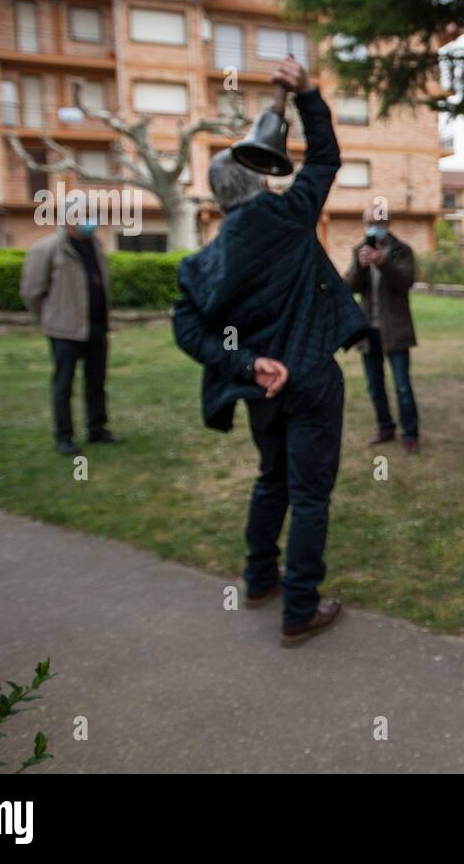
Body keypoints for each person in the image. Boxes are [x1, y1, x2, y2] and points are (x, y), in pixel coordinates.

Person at [173, 55, 368, 647]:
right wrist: (308, 95)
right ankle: (300, 610)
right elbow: (327, 159)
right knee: (309, 494)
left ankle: (260, 579)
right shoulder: (288, 215)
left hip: (262, 386)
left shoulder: (205, 261)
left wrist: (244, 363)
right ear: (260, 178)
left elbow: (189, 330)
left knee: (271, 481)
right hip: (310, 378)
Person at [20, 205, 121, 455]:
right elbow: (31, 291)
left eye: (91, 214)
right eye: (83, 215)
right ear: (67, 219)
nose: (90, 220)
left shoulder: (95, 245)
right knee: (63, 385)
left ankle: (97, 428)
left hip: (96, 327)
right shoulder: (47, 248)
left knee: (96, 382)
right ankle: (64, 436)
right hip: (65, 330)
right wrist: (49, 320)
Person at [345, 208, 420, 453]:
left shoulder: (402, 250)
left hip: (395, 330)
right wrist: (361, 265)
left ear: (387, 223)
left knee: (402, 386)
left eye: (378, 222)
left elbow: (404, 283)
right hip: (369, 331)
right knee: (375, 385)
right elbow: (352, 287)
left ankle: (410, 433)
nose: (374, 226)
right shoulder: (359, 251)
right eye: (369, 222)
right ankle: (385, 426)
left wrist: (383, 262)